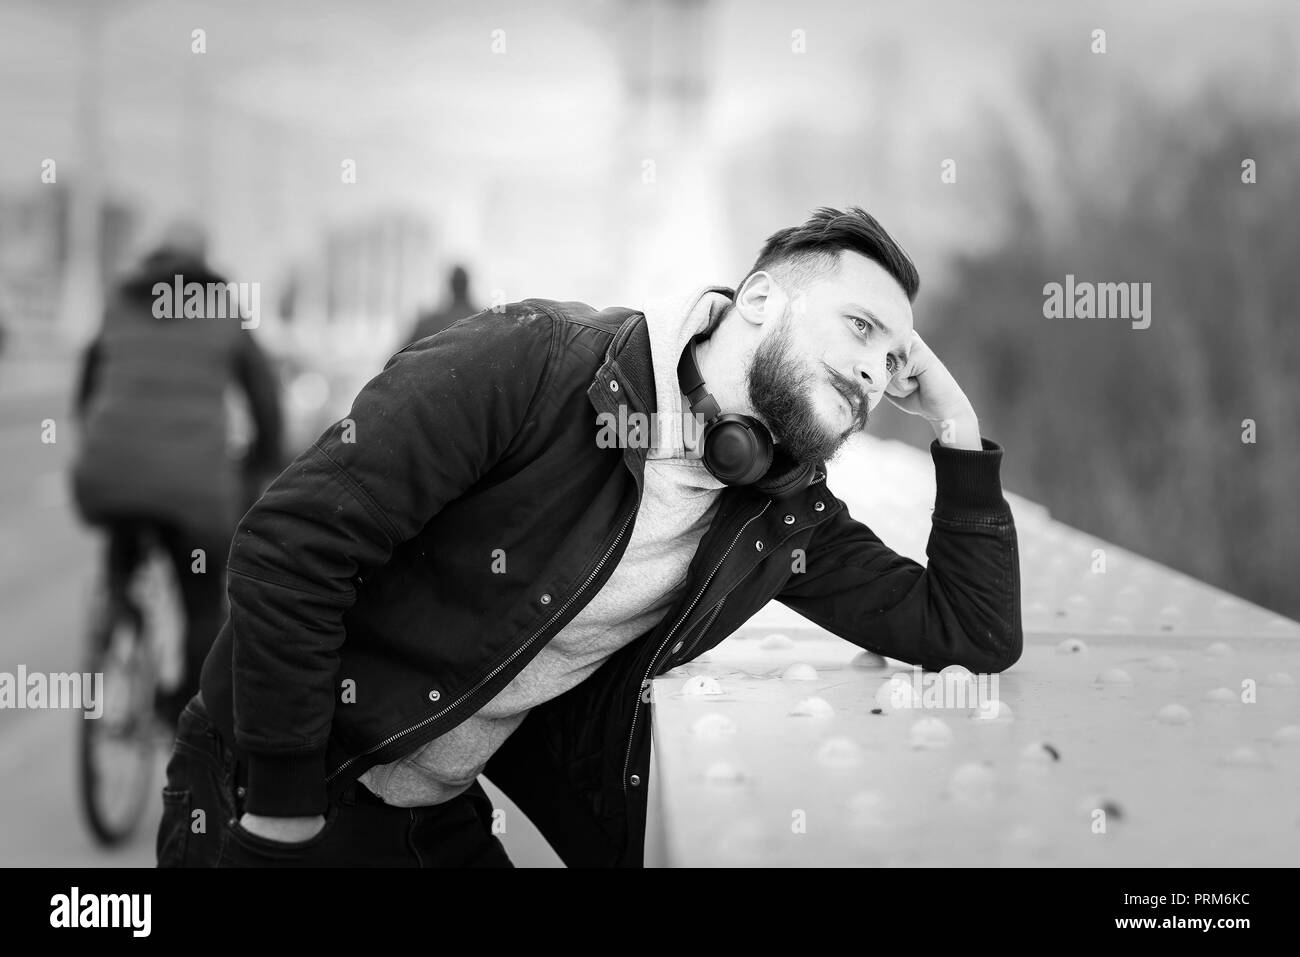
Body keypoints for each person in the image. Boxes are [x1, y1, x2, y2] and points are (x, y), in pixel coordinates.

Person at [157, 207, 1022, 868]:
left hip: (432, 815)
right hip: (271, 788)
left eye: (896, 354)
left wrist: (954, 417)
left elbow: (970, 628)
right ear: (759, 300)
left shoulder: (778, 513)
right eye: (860, 327)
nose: (878, 370)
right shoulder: (534, 363)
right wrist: (281, 813)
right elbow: (293, 541)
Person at [71, 223, 284, 729]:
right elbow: (265, 400)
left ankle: (121, 601)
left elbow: (87, 384)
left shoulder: (119, 301)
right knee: (202, 602)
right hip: (195, 491)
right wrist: (259, 464)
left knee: (125, 514)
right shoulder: (222, 308)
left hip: (105, 473)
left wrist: (97, 439)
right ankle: (183, 716)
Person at [405, 264, 478, 346]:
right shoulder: (482, 321)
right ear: (467, 284)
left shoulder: (429, 324)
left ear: (451, 284)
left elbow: (400, 355)